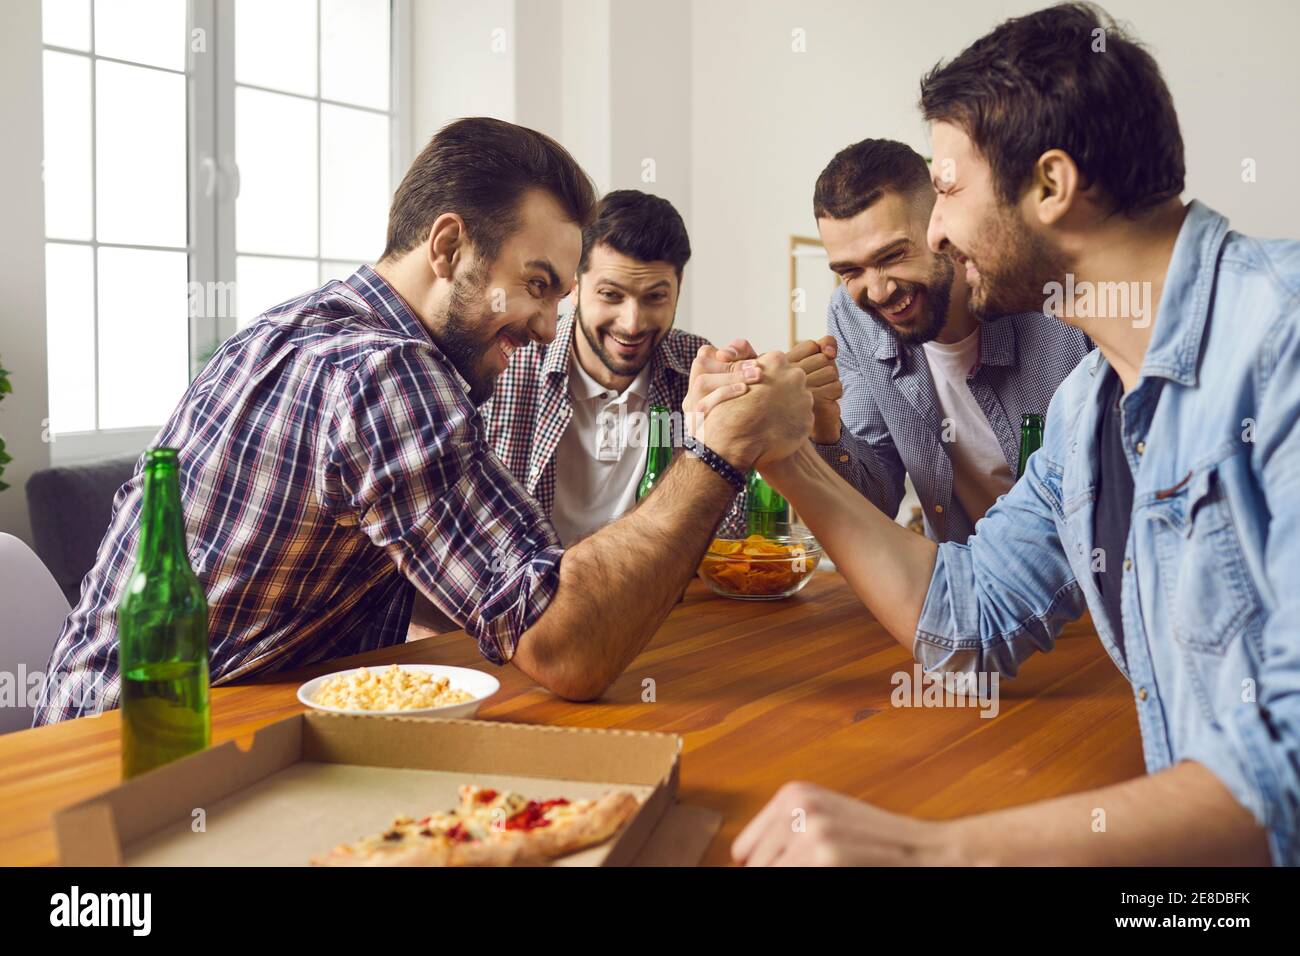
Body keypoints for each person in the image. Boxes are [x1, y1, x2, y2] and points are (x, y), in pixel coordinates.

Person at [721, 3, 1299, 865]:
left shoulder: (1280, 340)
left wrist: (941, 854)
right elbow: (972, 622)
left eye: (947, 190)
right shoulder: (1089, 407)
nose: (940, 232)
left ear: (1053, 185)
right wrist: (786, 452)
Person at [33, 117, 813, 726]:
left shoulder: (303, 322)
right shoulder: (386, 373)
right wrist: (718, 449)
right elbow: (567, 646)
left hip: (117, 729)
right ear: (449, 246)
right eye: (537, 285)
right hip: (140, 766)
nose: (551, 325)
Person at [811, 139, 1091, 539]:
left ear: (941, 225)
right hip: (964, 583)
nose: (876, 291)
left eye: (892, 256)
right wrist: (824, 424)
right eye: (850, 270)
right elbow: (875, 501)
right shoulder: (851, 316)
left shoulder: (1057, 298)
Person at [484, 189, 744, 545]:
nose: (632, 323)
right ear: (574, 286)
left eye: (655, 296)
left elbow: (731, 539)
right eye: (611, 295)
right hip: (540, 593)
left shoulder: (697, 368)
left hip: (658, 591)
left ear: (678, 289)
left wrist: (736, 426)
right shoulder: (507, 365)